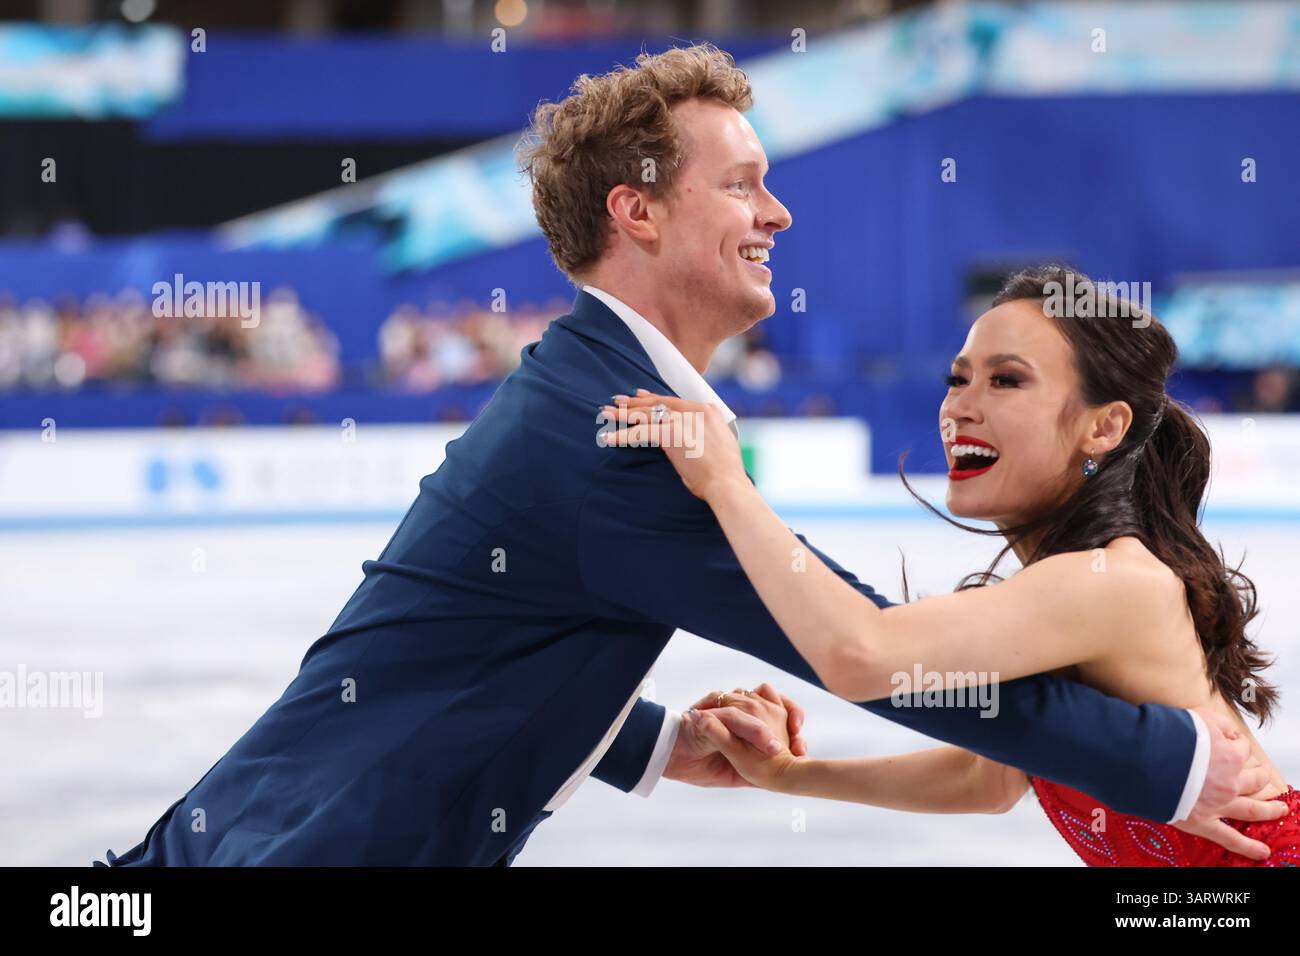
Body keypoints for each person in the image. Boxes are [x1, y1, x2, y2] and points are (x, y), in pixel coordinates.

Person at [99, 46, 1271, 868]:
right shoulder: (621, 425)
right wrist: (1163, 763)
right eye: (745, 182)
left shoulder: (590, 392)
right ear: (640, 213)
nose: (781, 213)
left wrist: (652, 736)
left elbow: (483, 629)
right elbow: (863, 646)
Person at [604, 265, 1297, 865]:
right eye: (958, 378)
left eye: (1006, 381)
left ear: (1104, 427)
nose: (960, 407)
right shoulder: (1071, 589)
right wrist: (789, 776)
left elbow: (862, 651)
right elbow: (987, 782)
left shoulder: (1111, 582)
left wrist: (725, 482)